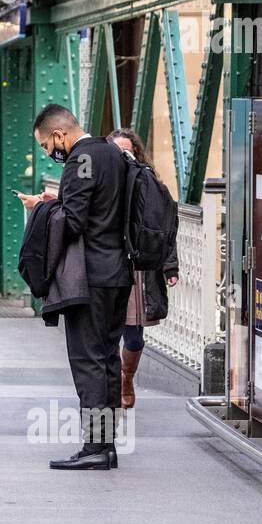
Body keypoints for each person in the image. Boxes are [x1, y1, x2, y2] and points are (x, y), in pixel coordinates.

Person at [20, 104, 132, 470]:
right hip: (118, 272)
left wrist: (42, 209)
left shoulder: (80, 159)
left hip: (91, 278)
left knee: (88, 362)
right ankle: (108, 444)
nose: (47, 152)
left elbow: (75, 221)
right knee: (107, 360)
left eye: (44, 145)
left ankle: (94, 447)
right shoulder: (113, 152)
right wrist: (61, 203)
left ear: (58, 135)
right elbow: (100, 207)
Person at [108, 128, 179, 408]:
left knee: (134, 336)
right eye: (117, 153)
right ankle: (113, 383)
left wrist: (169, 266)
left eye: (128, 152)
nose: (123, 158)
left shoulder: (150, 186)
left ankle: (127, 378)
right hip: (108, 265)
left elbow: (165, 227)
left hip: (139, 268)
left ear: (136, 154)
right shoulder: (102, 184)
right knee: (107, 332)